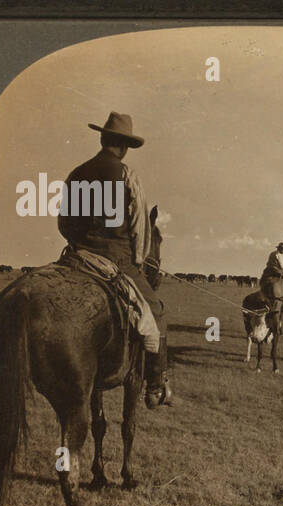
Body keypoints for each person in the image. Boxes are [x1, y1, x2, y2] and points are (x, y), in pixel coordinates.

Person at [57, 111, 172, 408]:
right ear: (124, 146)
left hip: (77, 256)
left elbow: (64, 223)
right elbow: (139, 227)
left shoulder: (77, 173)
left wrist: (79, 244)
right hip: (116, 257)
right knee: (157, 310)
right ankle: (157, 385)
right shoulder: (127, 175)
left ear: (102, 138)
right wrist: (135, 260)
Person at [260, 242, 283, 315]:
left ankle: (263, 292)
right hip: (275, 271)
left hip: (268, 271)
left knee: (262, 281)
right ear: (280, 249)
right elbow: (282, 266)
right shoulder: (278, 255)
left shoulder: (273, 253)